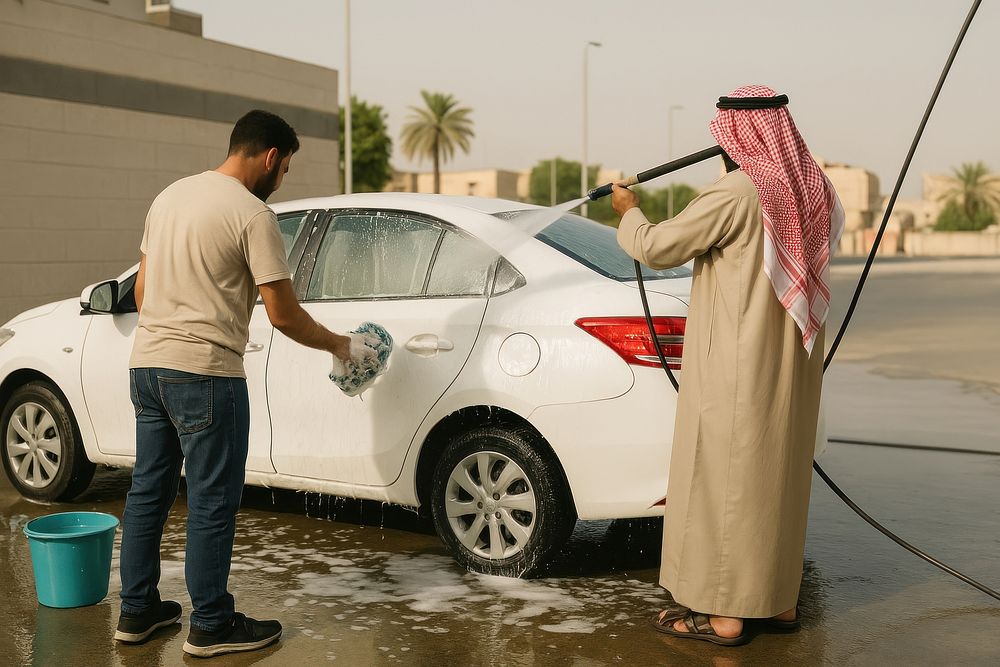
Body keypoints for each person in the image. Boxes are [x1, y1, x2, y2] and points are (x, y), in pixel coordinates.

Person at [114, 109, 375, 658]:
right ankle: (211, 624)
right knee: (211, 502)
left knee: (148, 492)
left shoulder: (168, 198)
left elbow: (141, 294)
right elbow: (282, 314)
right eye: (285, 171)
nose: (282, 183)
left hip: (147, 367)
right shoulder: (253, 216)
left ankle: (137, 612)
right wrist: (341, 345)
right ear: (271, 157)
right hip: (206, 373)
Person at [611, 85, 844, 647]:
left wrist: (629, 211)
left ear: (734, 135)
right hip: (792, 364)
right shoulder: (812, 189)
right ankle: (778, 601)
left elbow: (659, 246)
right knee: (777, 479)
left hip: (740, 366)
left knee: (729, 483)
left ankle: (725, 616)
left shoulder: (738, 192)